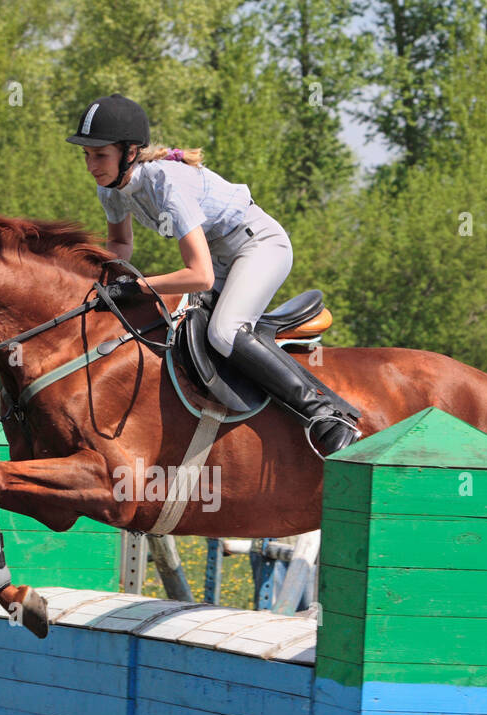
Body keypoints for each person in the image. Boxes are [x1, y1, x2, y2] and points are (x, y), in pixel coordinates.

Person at [68, 93, 359, 456]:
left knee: (224, 332)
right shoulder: (111, 190)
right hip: (221, 256)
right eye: (86, 155)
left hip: (258, 245)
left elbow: (200, 275)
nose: (91, 165)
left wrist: (138, 286)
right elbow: (119, 244)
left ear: (129, 152)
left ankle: (326, 414)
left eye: (100, 155)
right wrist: (99, 284)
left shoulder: (165, 182)